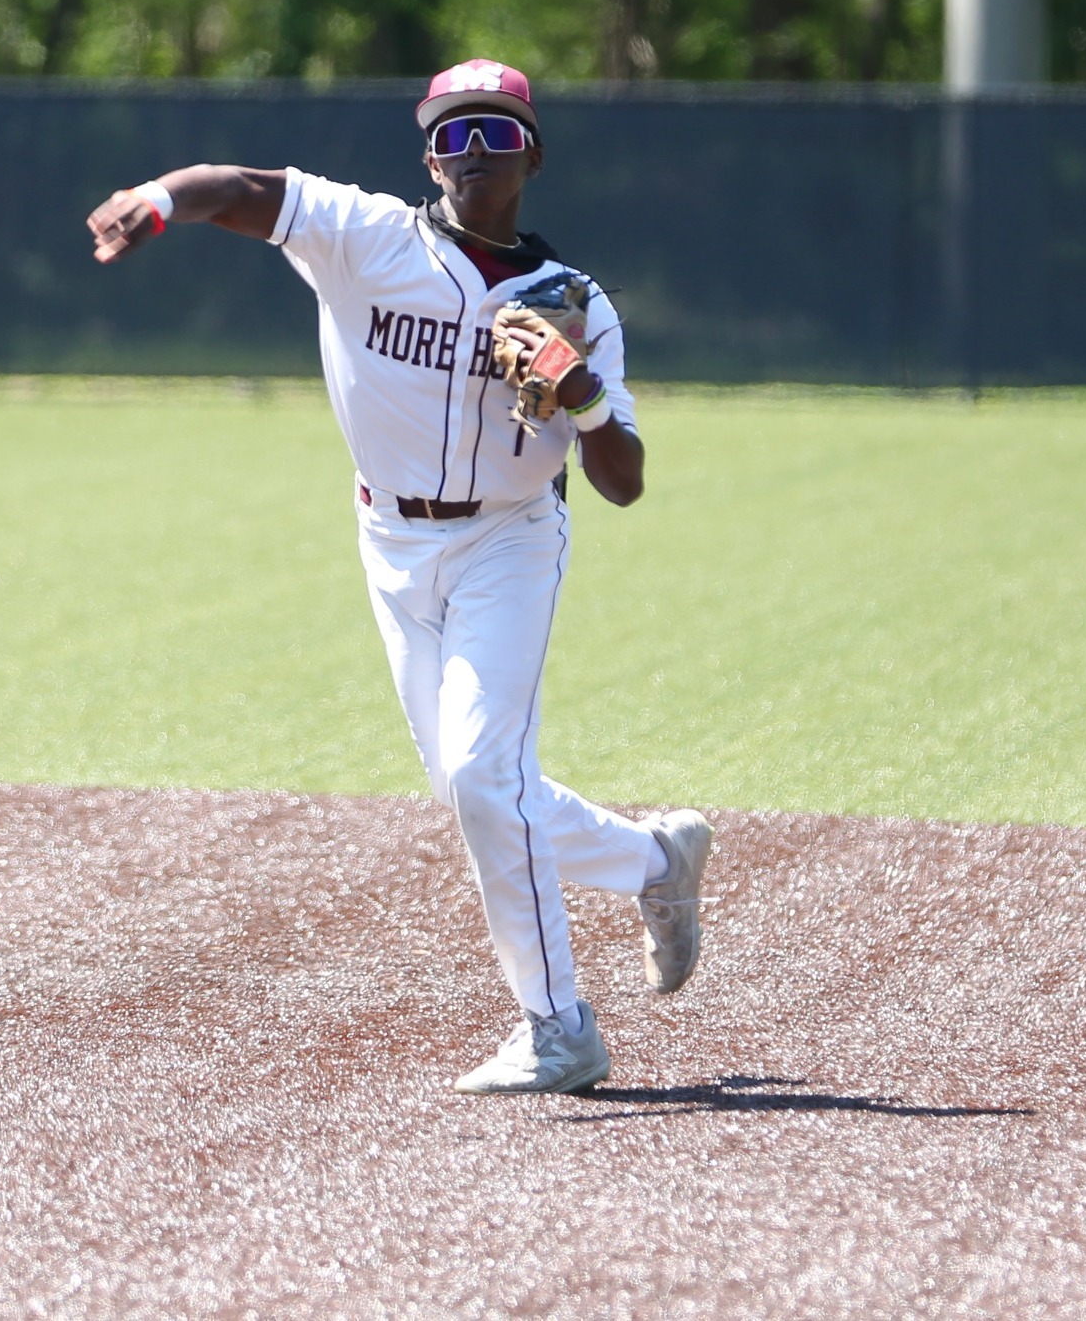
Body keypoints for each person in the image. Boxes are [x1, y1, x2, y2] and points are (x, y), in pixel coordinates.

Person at [84, 59, 713, 1096]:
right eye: (454, 135)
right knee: (477, 787)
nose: (474, 154)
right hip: (389, 544)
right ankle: (654, 863)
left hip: (510, 542)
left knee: (479, 778)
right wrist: (159, 200)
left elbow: (625, 483)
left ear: (534, 157)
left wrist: (584, 396)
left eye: (497, 135)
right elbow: (237, 188)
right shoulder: (365, 236)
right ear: (427, 155)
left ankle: (558, 1026)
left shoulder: (576, 304)